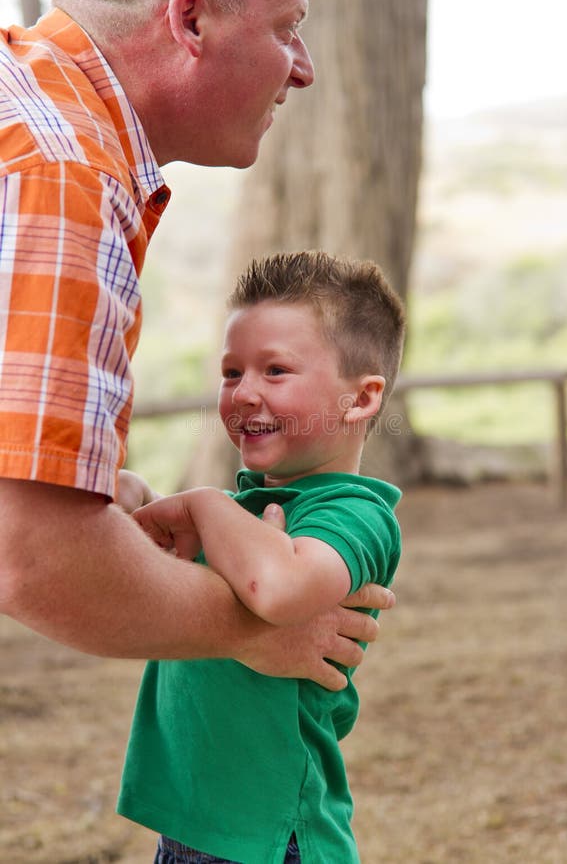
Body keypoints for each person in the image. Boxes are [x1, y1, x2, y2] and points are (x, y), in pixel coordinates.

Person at [0, 0, 394, 687]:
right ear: (190, 20)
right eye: (288, 27)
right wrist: (256, 629)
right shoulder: (64, 176)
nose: (302, 69)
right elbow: (32, 557)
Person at [116, 250, 406, 864]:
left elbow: (278, 587)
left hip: (277, 838)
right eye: (230, 373)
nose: (244, 392)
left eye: (275, 371)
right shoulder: (239, 512)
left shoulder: (354, 513)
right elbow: (188, 562)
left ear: (359, 400)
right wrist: (135, 503)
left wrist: (196, 504)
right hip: (195, 826)